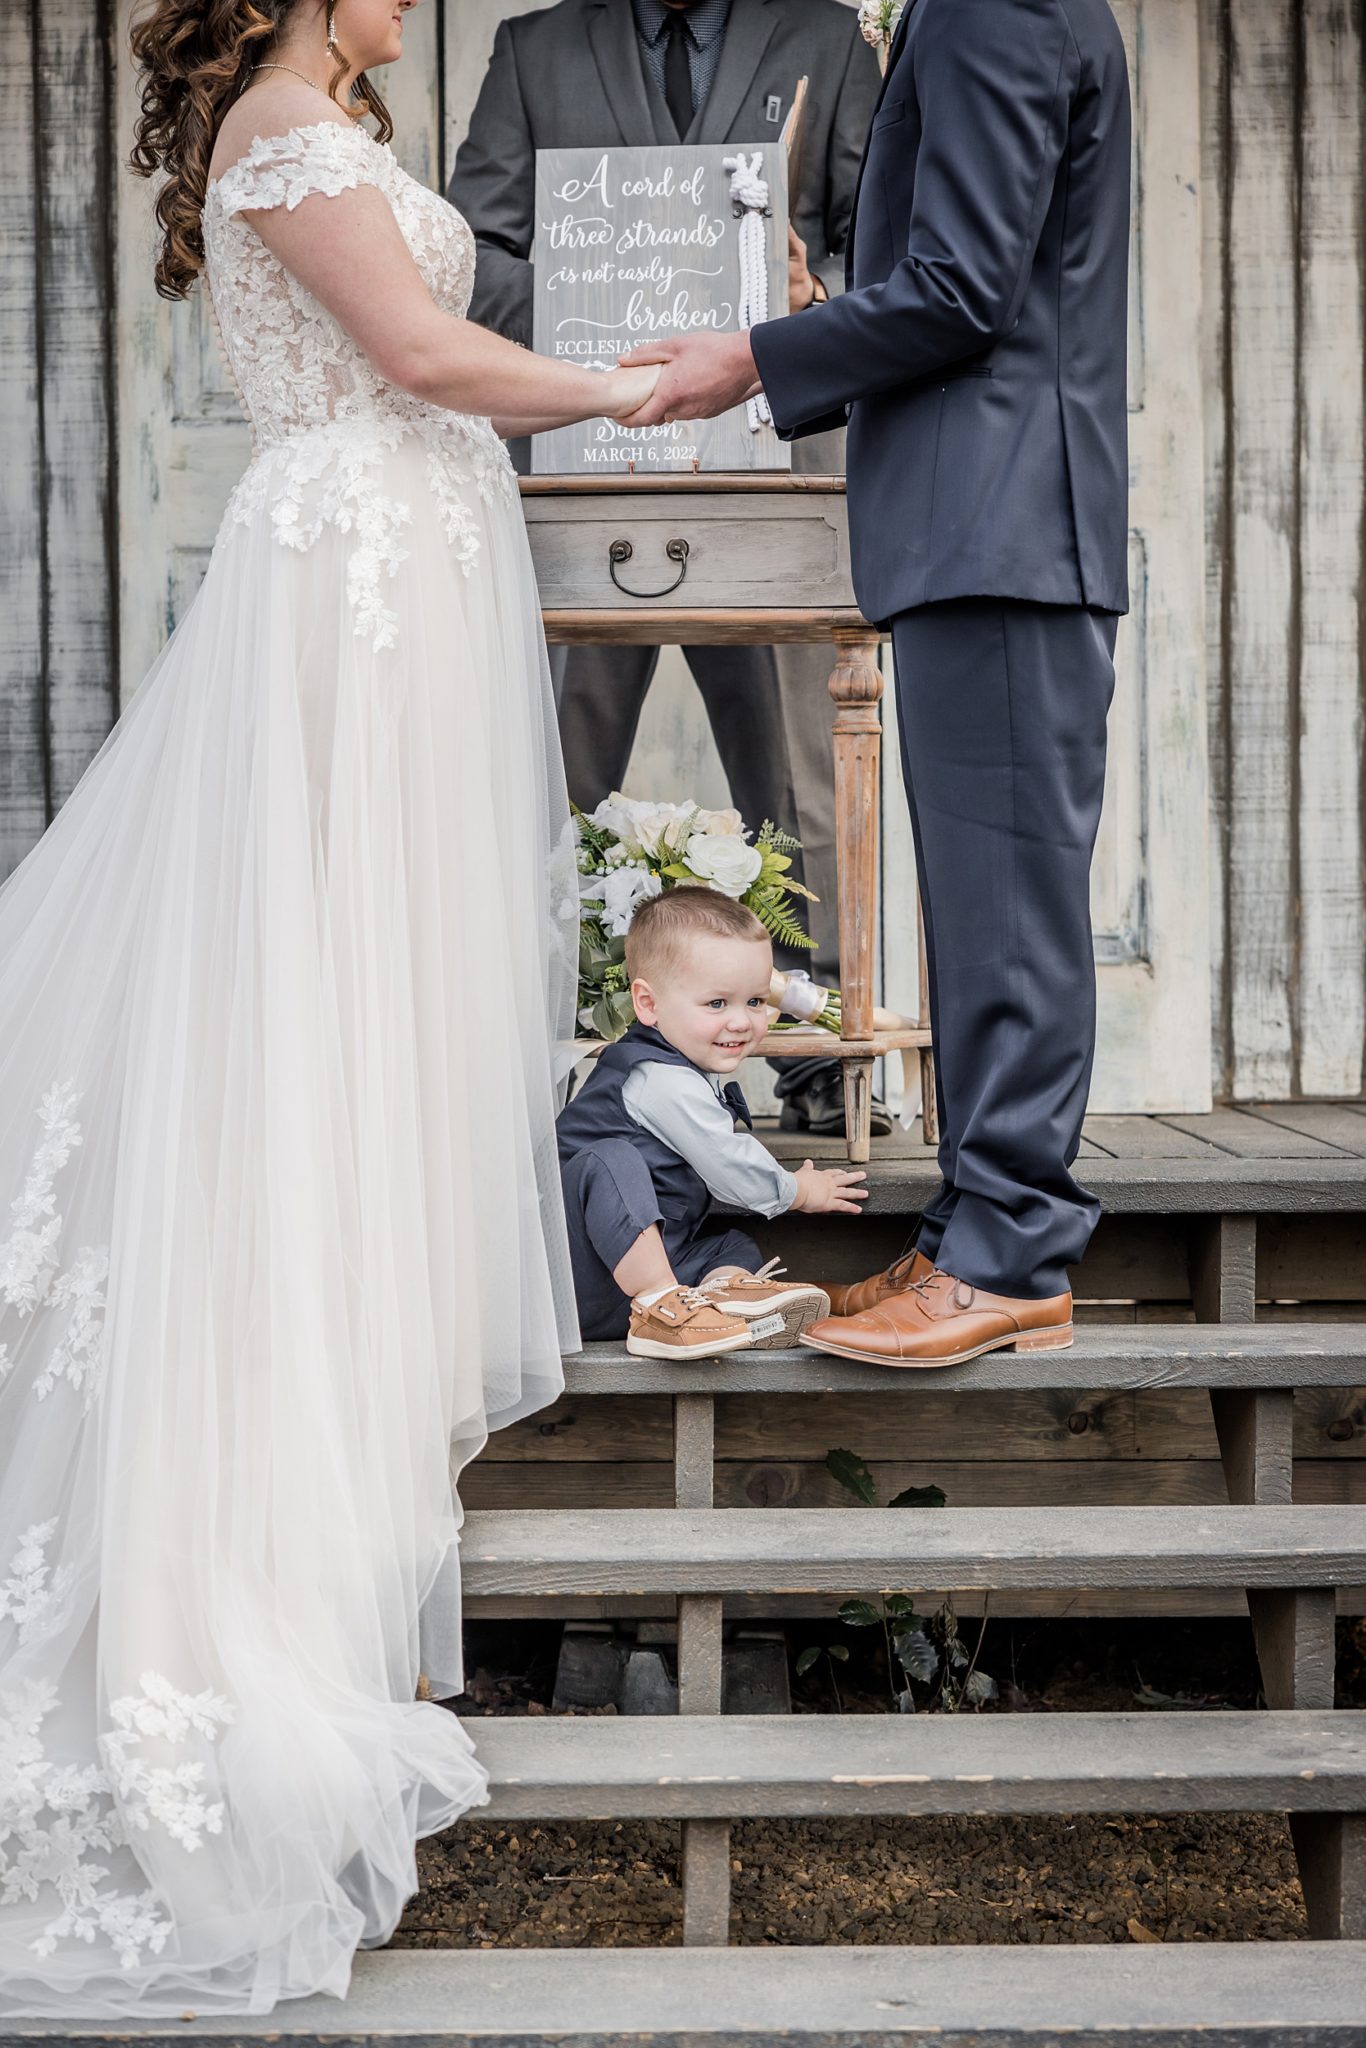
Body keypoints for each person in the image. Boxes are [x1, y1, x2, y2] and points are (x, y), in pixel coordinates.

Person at [0, 0, 664, 2018]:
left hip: (406, 566)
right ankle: (235, 1575)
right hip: (351, 583)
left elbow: (469, 309)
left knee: (371, 1011)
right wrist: (635, 390)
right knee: (307, 1014)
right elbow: (425, 356)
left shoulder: (334, 115)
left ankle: (338, 1499)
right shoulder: (288, 129)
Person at [619, 0, 1132, 1367]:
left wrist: (753, 357)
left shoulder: (993, 10)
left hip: (1007, 529)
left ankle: (1011, 1254)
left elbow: (968, 290)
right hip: (986, 529)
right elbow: (970, 274)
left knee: (1007, 917)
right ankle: (973, 1227)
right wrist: (821, 313)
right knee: (983, 914)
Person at [449, 0, 890, 1138]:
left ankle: (816, 1062)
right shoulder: (533, 50)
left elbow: (882, 247)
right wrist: (610, 315)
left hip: (771, 469)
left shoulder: (830, 41)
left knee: (797, 772)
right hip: (580, 471)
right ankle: (519, 1054)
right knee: (543, 768)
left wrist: (808, 304)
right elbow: (474, 251)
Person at [557, 888, 867, 1357]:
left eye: (756, 1002)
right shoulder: (656, 1076)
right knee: (609, 1157)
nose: (742, 1022)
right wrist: (800, 1191)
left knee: (731, 1247)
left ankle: (729, 1301)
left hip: (643, 1273)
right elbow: (726, 1161)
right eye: (717, 1004)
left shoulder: (684, 1070)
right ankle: (665, 1311)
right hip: (580, 1273)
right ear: (648, 1004)